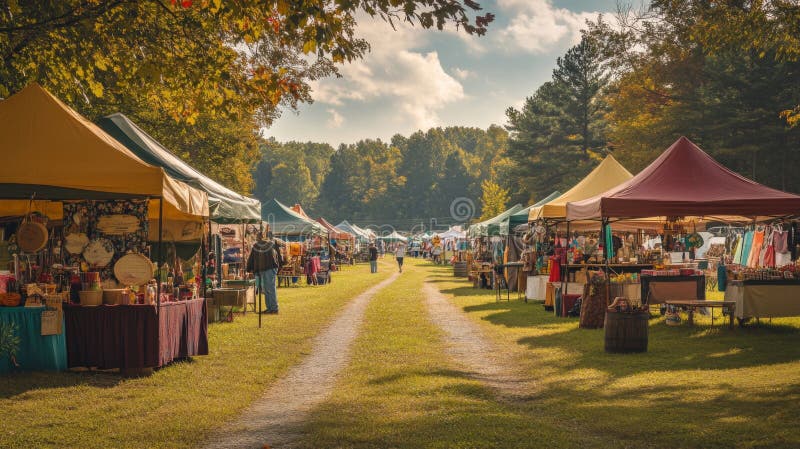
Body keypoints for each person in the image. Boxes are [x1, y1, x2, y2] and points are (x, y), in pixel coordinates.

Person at [247, 231, 283, 314]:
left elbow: (251, 258)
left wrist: (249, 269)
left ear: (258, 238)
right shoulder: (271, 243)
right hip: (270, 268)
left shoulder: (258, 246)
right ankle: (270, 308)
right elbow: (278, 255)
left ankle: (273, 308)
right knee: (268, 289)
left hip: (268, 268)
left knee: (269, 289)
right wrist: (279, 266)